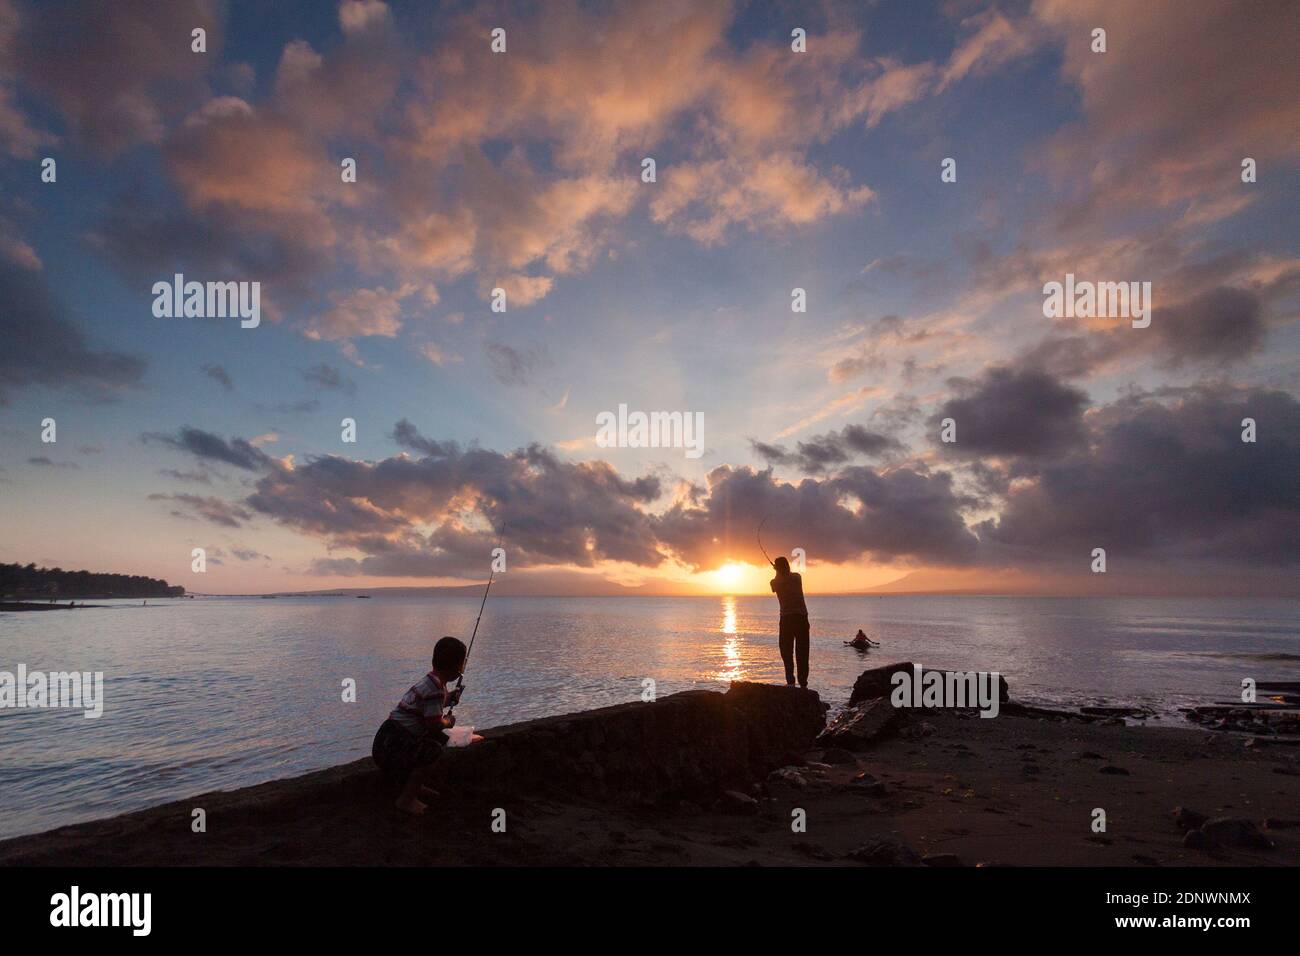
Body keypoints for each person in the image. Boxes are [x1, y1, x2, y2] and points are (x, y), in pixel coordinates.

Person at [372, 636, 467, 815]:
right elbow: (433, 725)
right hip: (392, 747)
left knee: (432, 741)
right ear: (457, 668)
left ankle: (414, 785)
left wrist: (447, 700)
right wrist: (448, 721)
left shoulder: (430, 682)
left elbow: (423, 708)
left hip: (386, 740)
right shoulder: (436, 690)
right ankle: (406, 799)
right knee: (432, 749)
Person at [769, 556, 810, 688]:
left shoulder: (775, 582)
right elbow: (786, 578)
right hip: (801, 618)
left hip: (786, 619)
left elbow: (776, 585)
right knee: (802, 652)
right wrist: (778, 570)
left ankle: (790, 682)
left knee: (786, 652)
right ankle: (803, 684)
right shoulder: (797, 577)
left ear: (777, 568)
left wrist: (776, 572)